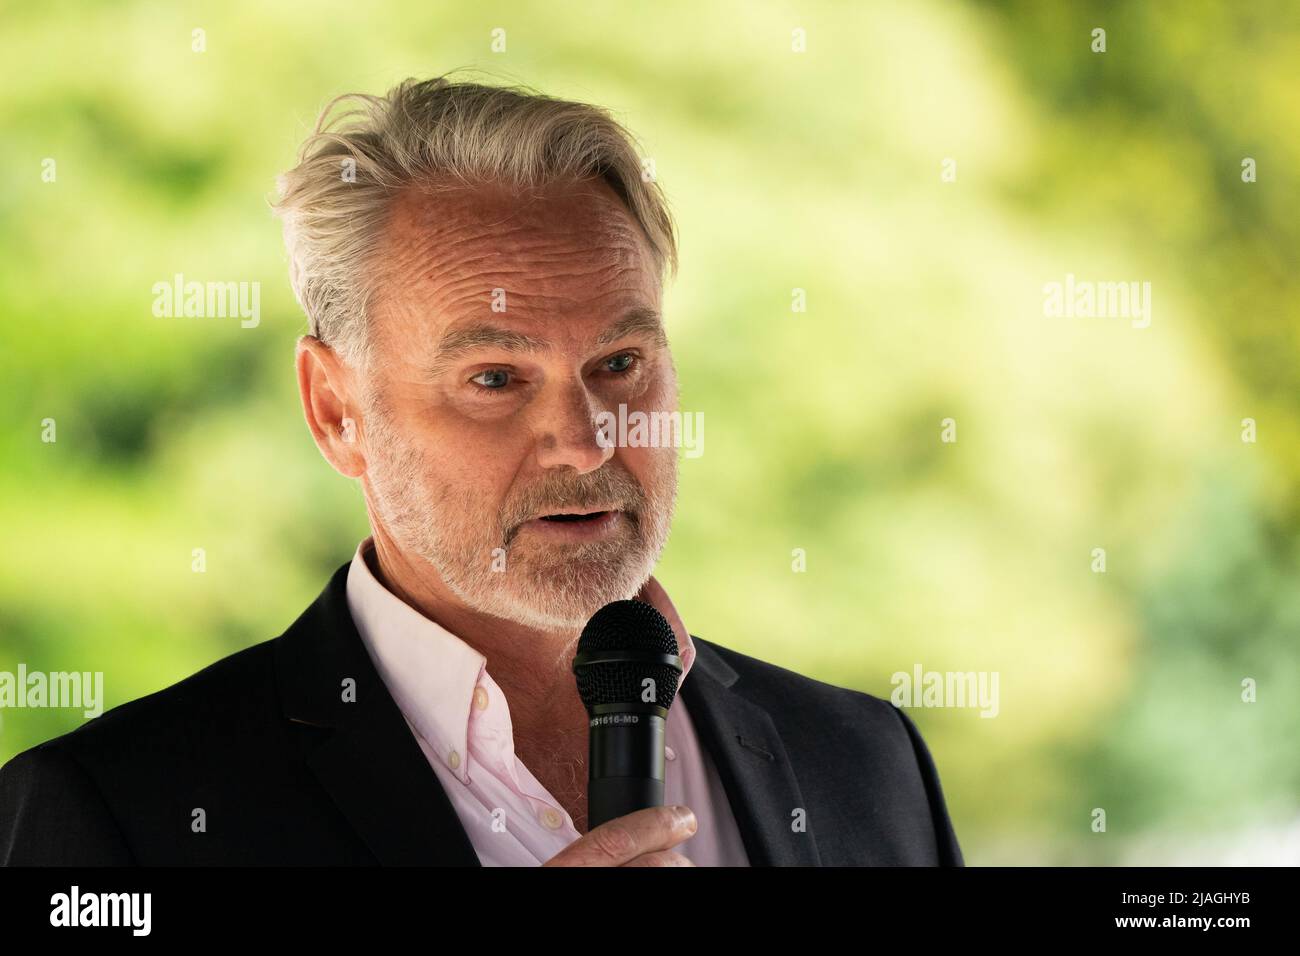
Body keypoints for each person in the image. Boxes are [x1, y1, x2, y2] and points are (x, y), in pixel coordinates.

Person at [0, 76, 962, 866]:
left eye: (619, 365)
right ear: (337, 411)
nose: (586, 443)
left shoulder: (868, 766)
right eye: (495, 379)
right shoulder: (123, 816)